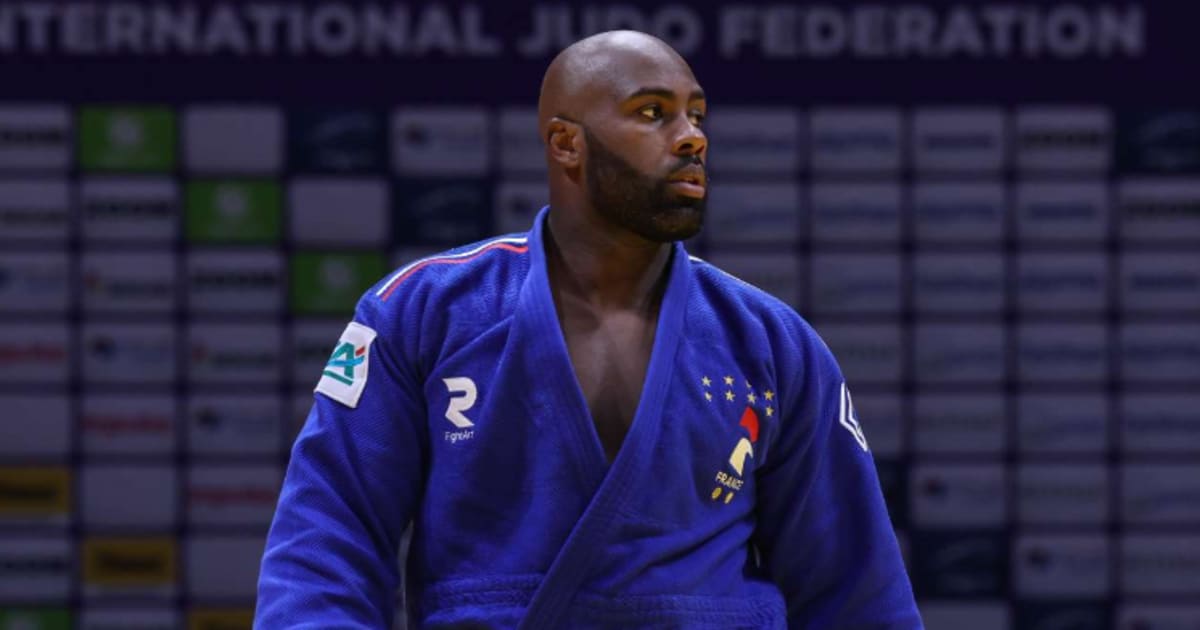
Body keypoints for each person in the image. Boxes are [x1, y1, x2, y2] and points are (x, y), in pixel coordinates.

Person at [256, 30, 922, 629]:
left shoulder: (771, 344)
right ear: (565, 142)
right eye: (652, 113)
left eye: (697, 114)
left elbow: (857, 590)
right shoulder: (423, 312)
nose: (692, 136)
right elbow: (327, 543)